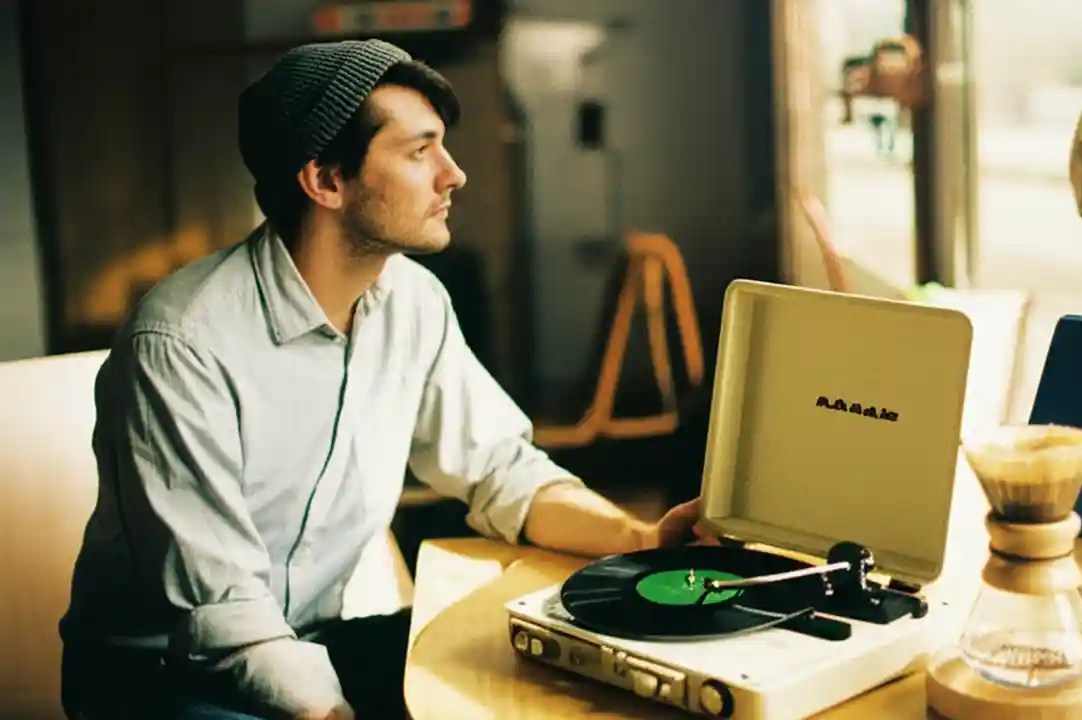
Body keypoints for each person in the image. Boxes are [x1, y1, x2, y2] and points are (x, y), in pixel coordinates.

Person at [60, 38, 710, 720]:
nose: (454, 174)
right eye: (419, 151)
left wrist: (640, 539)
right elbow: (228, 617)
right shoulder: (183, 342)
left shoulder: (413, 302)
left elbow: (502, 472)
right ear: (326, 181)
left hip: (311, 640)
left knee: (555, 663)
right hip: (161, 679)